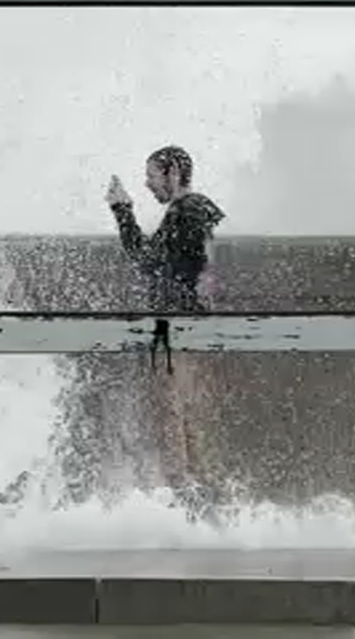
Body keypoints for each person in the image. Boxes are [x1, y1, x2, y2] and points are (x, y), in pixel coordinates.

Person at [105, 145, 226, 509]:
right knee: (186, 412)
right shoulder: (196, 213)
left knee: (171, 411)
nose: (146, 184)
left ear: (172, 172)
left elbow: (148, 262)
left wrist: (122, 210)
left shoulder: (186, 212)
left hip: (178, 327)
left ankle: (183, 492)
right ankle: (201, 489)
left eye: (152, 176)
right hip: (192, 327)